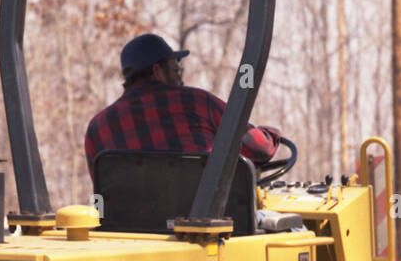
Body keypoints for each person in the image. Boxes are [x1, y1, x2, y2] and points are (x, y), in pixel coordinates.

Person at [84, 33, 281, 176]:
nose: (181, 80)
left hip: (127, 230)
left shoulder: (97, 128)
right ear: (158, 70)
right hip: (202, 230)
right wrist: (272, 134)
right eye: (176, 69)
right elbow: (259, 149)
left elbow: (101, 196)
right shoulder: (198, 103)